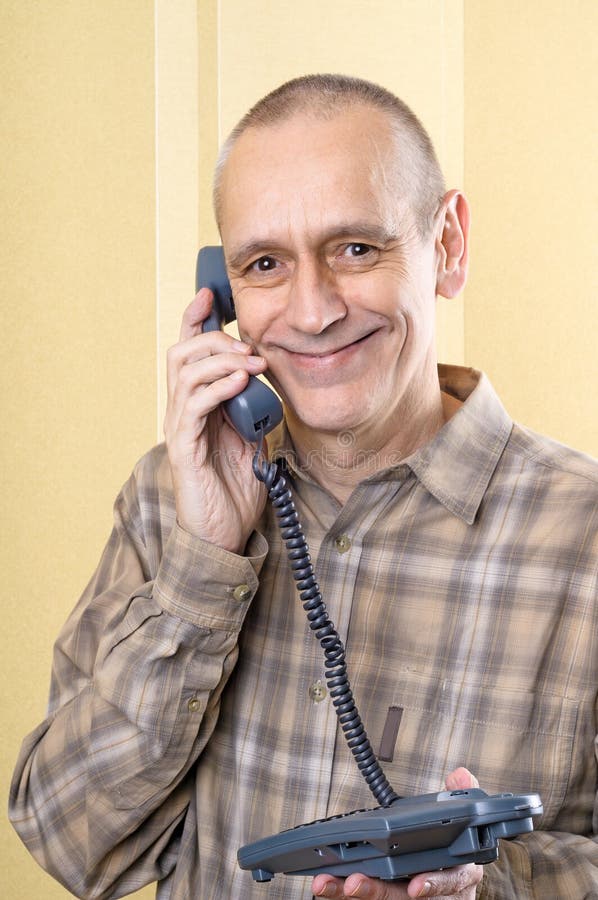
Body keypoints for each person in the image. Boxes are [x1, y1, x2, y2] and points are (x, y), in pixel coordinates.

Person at [9, 74, 598, 900]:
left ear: (448, 246)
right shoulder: (168, 500)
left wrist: (496, 885)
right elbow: (69, 841)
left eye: (356, 248)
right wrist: (202, 567)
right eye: (264, 264)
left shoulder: (586, 534)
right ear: (222, 295)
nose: (313, 311)